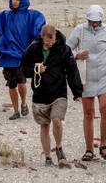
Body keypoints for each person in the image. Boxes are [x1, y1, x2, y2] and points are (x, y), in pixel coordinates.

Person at [67, 5, 106, 161]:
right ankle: (89, 149)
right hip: (86, 78)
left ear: (101, 19)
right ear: (87, 19)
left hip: (104, 76)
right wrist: (77, 55)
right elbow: (65, 50)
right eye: (92, 21)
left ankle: (104, 145)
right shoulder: (79, 30)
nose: (94, 24)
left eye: (97, 21)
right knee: (89, 113)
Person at [21, 23, 84, 167]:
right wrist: (35, 69)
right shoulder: (33, 49)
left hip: (58, 92)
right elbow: (23, 68)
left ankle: (59, 146)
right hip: (40, 94)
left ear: (55, 36)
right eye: (46, 39)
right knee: (44, 126)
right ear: (41, 37)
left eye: (51, 39)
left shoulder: (64, 50)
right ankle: (48, 156)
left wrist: (77, 92)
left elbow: (72, 71)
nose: (49, 42)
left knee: (56, 119)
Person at [0, 0, 46, 121]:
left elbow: (39, 30)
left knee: (21, 82)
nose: (15, 1)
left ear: (23, 0)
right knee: (11, 83)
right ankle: (16, 110)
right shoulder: (4, 16)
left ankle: (24, 102)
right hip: (8, 55)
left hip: (22, 55)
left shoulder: (31, 16)